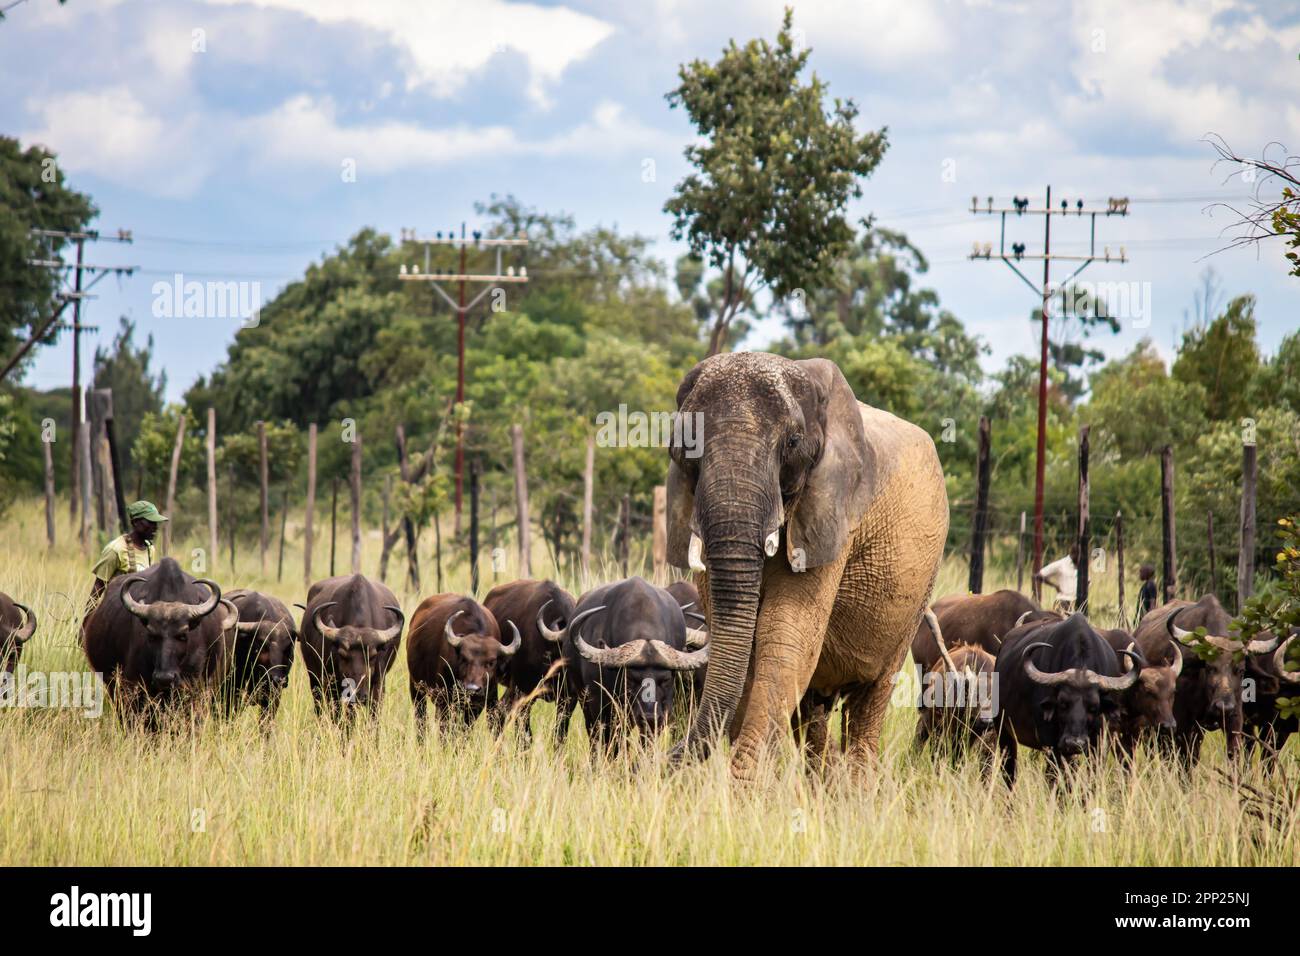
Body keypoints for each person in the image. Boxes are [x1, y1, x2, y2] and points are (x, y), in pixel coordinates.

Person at [88, 500, 168, 608]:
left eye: (156, 523)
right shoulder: (115, 549)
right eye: (150, 522)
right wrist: (86, 622)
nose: (155, 527)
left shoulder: (150, 549)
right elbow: (97, 588)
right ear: (135, 522)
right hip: (117, 612)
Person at [1034, 543, 1079, 615]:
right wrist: (1055, 585)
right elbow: (1039, 575)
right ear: (1074, 554)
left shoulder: (1081, 566)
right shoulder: (1061, 564)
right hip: (1063, 603)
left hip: (1077, 603)